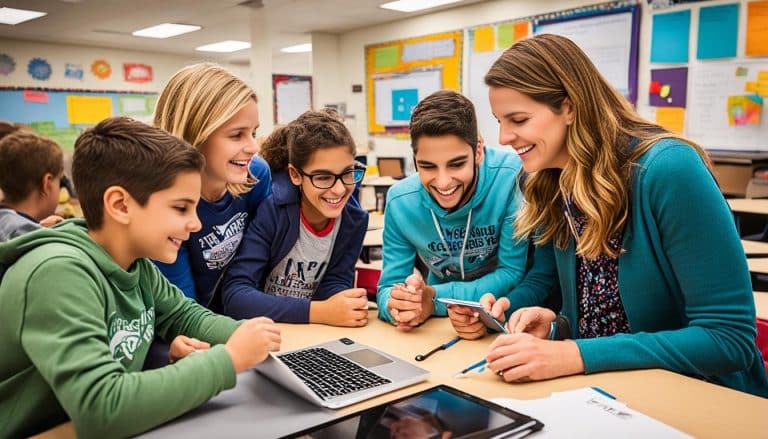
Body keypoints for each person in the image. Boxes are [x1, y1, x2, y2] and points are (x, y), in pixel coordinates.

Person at [448, 34, 768, 398]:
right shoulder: (550, 179)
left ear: (569, 108)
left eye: (518, 119)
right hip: (605, 391)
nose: (504, 138)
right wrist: (556, 328)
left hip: (700, 397)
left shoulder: (668, 170)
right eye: (499, 121)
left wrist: (573, 354)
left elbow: (729, 338)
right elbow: (596, 318)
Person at [0, 117, 282, 438]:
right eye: (180, 208)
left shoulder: (135, 264)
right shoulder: (56, 273)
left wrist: (255, 338)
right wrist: (229, 359)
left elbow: (185, 315)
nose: (196, 225)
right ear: (120, 205)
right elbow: (103, 407)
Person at [376, 90, 528, 331]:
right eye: (427, 166)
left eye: (456, 164)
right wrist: (399, 305)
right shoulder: (400, 201)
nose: (443, 182)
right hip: (439, 323)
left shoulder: (512, 177)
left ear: (478, 151)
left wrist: (433, 298)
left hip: (499, 316)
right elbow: (387, 288)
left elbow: (511, 272)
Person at [222, 110, 369, 326]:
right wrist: (320, 312)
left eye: (348, 173)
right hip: (262, 332)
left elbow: (335, 280)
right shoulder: (273, 211)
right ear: (295, 175)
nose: (338, 189)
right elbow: (236, 297)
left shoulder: (354, 221)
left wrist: (344, 302)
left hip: (310, 333)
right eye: (323, 177)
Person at [153, 62, 271, 307]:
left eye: (254, 132)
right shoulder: (163, 204)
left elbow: (263, 265)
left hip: (246, 313)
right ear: (194, 136)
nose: (253, 147)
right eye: (237, 135)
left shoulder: (255, 176)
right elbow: (181, 309)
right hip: (188, 327)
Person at [0, 131, 65, 241]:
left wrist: (38, 227)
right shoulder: (33, 241)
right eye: (59, 181)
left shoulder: (6, 222)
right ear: (47, 183)